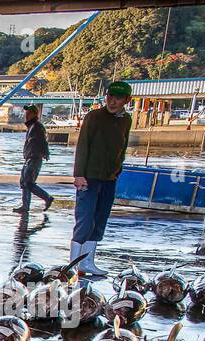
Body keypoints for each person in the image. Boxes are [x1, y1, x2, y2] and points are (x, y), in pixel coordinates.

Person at [72, 80, 133, 278]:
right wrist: (79, 174)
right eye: (110, 96)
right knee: (85, 219)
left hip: (109, 178)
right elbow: (82, 146)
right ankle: (74, 264)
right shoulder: (94, 117)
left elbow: (122, 148)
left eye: (118, 98)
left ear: (126, 100)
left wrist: (118, 169)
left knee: (100, 220)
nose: (113, 101)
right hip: (89, 177)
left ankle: (87, 263)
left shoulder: (126, 120)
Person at [14, 104, 53, 215]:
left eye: (29, 113)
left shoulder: (37, 127)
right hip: (29, 157)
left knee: (28, 183)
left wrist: (46, 153)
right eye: (26, 113)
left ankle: (47, 198)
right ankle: (25, 206)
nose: (26, 115)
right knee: (24, 182)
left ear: (34, 114)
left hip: (34, 158)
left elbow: (43, 142)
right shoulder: (31, 127)